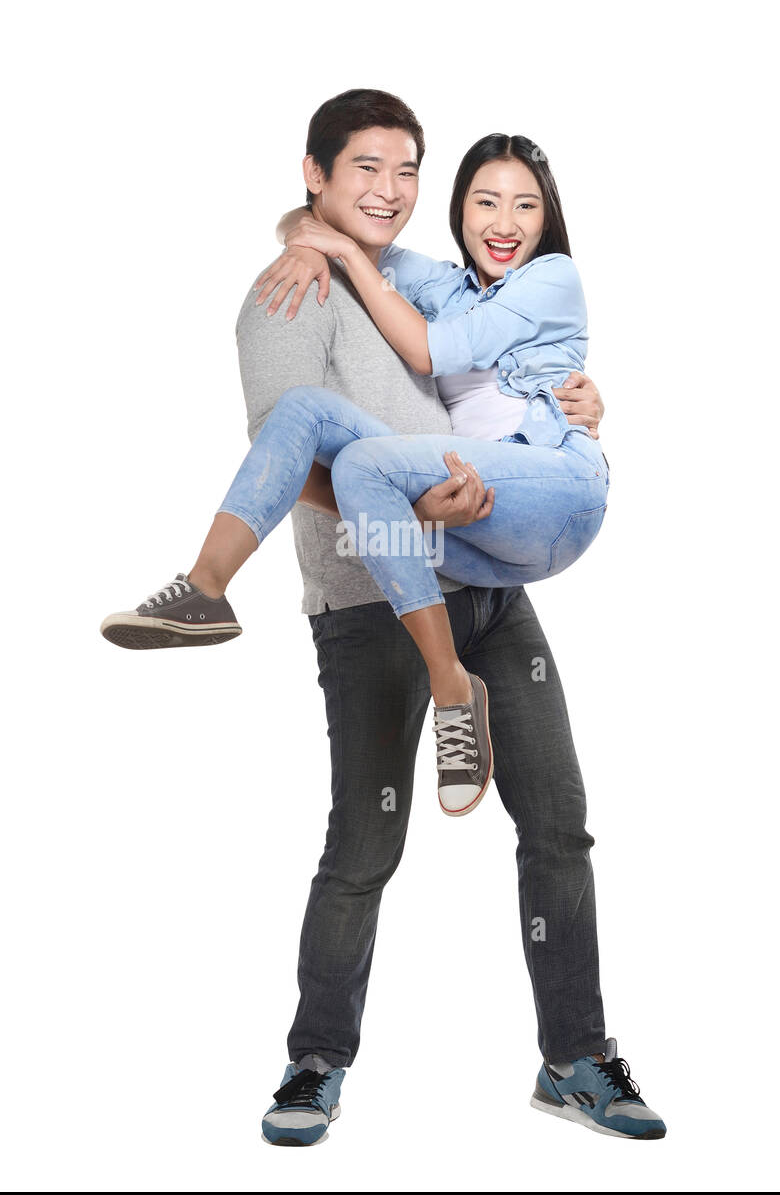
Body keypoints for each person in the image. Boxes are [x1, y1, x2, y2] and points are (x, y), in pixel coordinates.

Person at [103, 89, 666, 1144]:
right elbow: (287, 460)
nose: (391, 189)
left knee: (559, 824)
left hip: (484, 584)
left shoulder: (422, 281)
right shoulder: (291, 290)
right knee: (363, 848)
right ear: (315, 172)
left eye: (407, 169)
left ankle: (576, 1057)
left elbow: (499, 376)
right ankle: (314, 1063)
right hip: (371, 602)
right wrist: (302, 244)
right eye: (365, 167)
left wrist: (578, 404)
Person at [100, 135, 610, 823]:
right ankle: (206, 590)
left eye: (526, 206)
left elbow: (430, 350)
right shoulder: (444, 286)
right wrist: (307, 242)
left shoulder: (554, 277)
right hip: (472, 530)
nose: (505, 223)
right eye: (486, 202)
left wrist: (338, 251)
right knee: (303, 412)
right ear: (460, 210)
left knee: (365, 462)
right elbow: (328, 226)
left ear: (547, 218)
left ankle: (452, 689)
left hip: (557, 491)